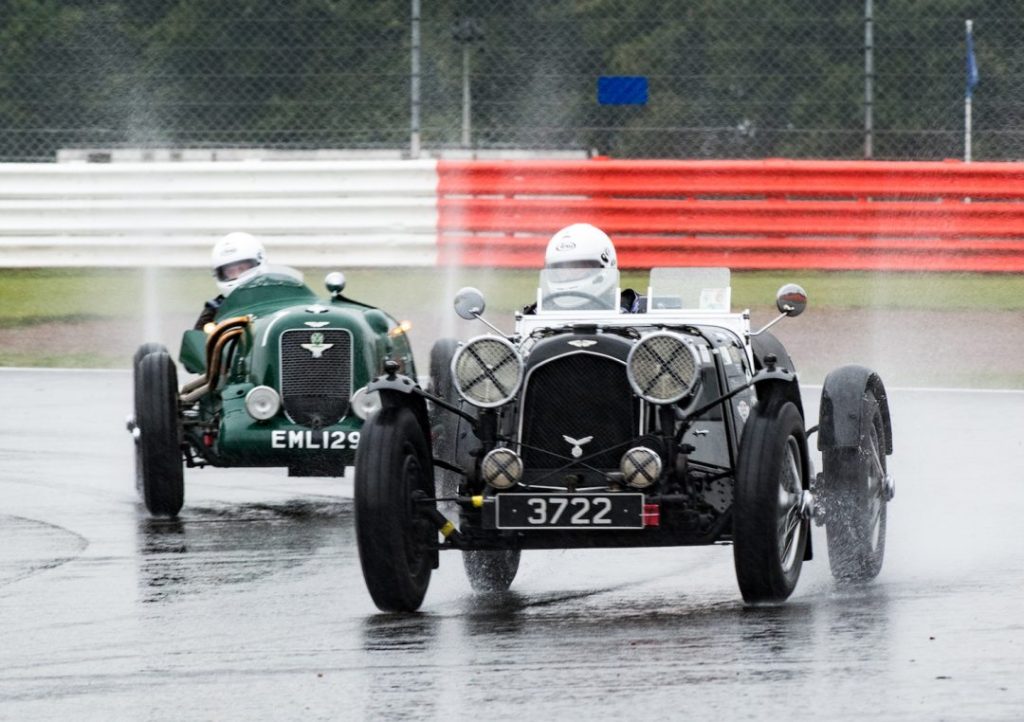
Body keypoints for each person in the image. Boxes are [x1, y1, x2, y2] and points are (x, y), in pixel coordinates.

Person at [530, 223, 643, 313]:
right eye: (560, 269)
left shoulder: (633, 309)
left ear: (604, 267)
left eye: (577, 268)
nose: (567, 274)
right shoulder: (538, 316)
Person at [194, 231, 268, 329]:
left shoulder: (280, 296)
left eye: (242, 269)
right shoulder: (215, 309)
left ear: (259, 261)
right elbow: (196, 341)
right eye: (230, 272)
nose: (237, 275)